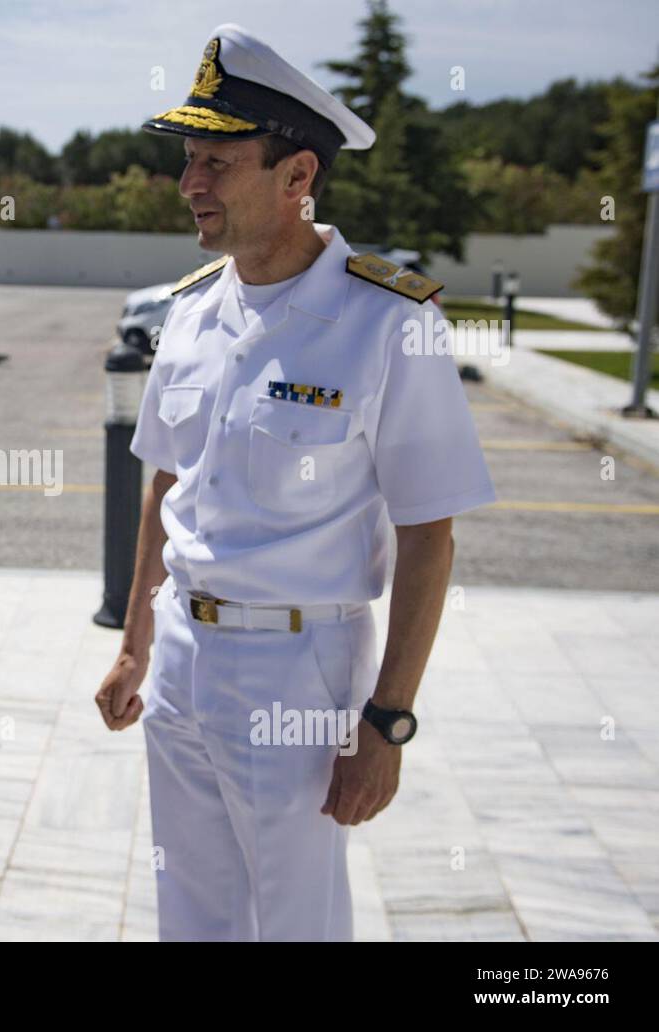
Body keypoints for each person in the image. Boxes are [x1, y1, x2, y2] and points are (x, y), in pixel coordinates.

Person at [95, 24, 496, 941]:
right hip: (183, 660)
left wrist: (387, 719)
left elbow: (429, 532)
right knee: (191, 915)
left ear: (297, 174)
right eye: (188, 161)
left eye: (216, 163)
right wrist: (135, 645)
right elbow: (167, 485)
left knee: (297, 919)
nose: (191, 184)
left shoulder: (389, 320)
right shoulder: (189, 310)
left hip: (299, 671)